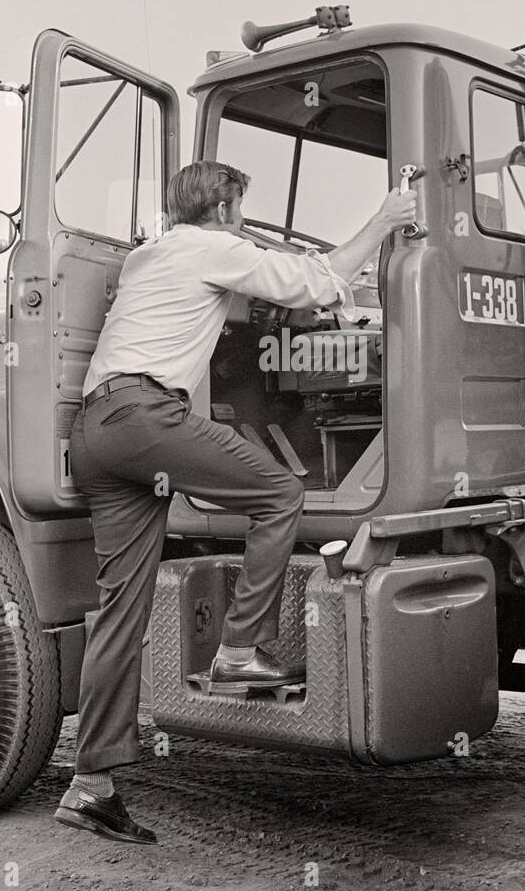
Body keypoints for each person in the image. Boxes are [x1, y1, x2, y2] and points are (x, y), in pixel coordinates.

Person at [54, 160, 418, 843]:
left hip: (96, 432)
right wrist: (386, 220)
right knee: (280, 491)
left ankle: (90, 785)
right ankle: (238, 650)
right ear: (222, 209)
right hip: (143, 418)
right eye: (241, 209)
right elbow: (319, 283)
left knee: (119, 611)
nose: (243, 221)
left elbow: (235, 300)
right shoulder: (215, 247)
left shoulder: (149, 257)